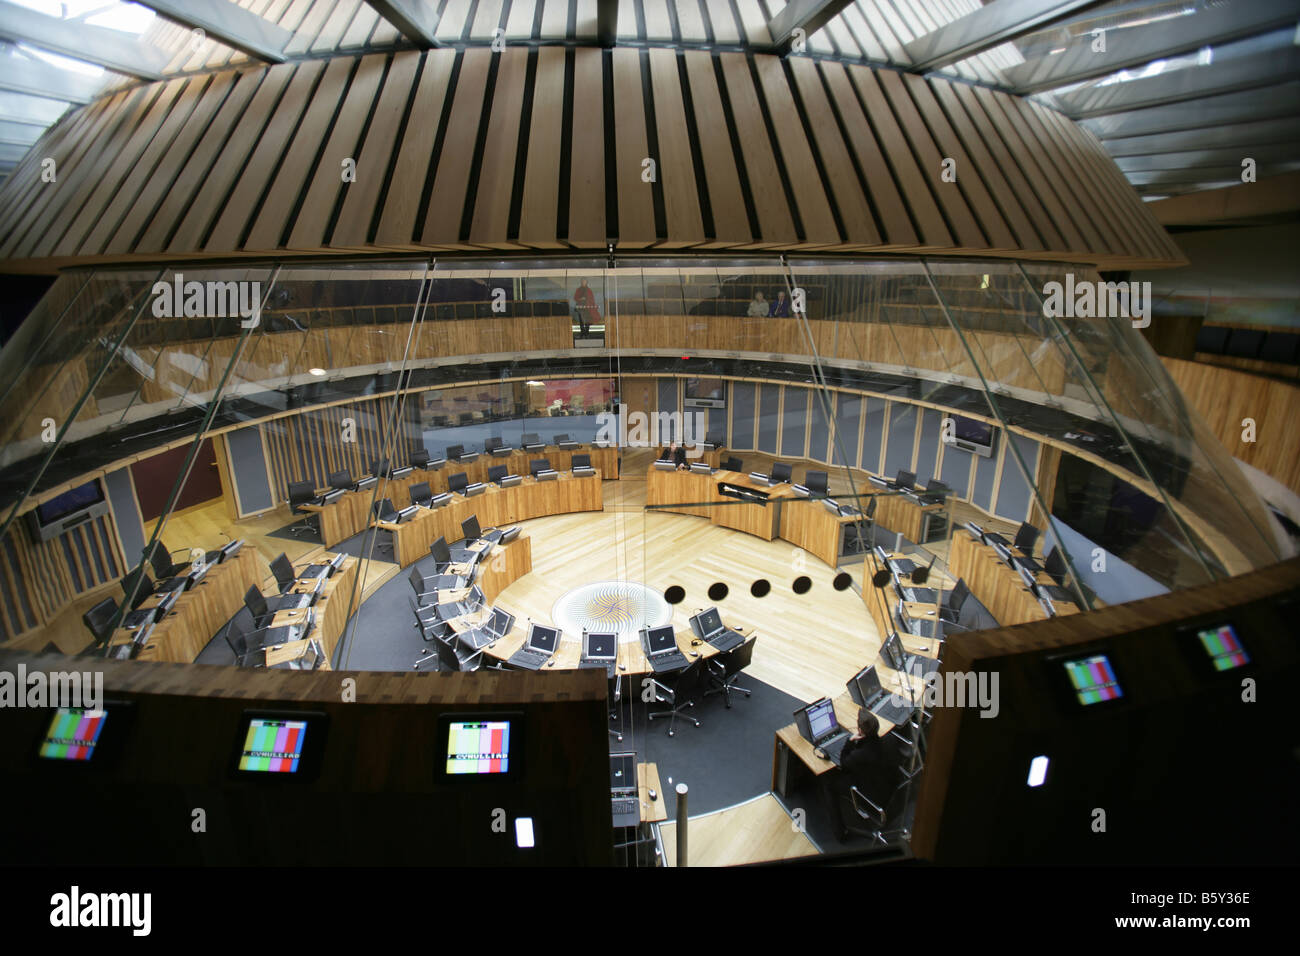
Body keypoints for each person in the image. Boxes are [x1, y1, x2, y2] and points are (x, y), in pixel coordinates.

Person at [823, 708, 904, 841]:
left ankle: (840, 833)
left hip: (874, 800)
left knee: (828, 783)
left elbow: (844, 763)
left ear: (860, 730)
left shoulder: (859, 756)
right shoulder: (889, 740)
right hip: (892, 791)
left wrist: (850, 742)